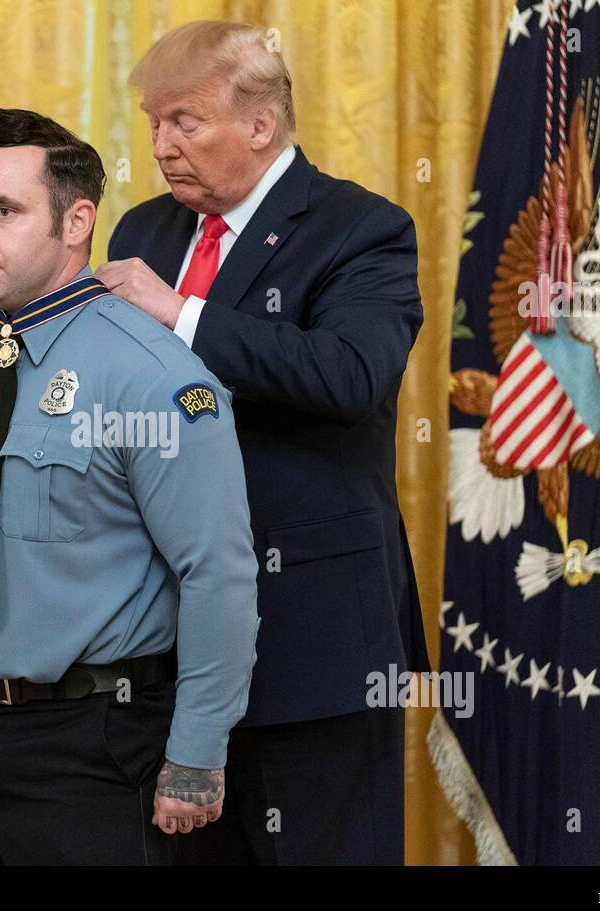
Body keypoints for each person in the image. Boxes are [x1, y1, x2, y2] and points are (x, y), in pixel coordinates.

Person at [100, 20, 429, 865]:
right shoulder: (144, 233)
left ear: (260, 125)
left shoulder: (361, 227)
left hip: (313, 643)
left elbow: (349, 377)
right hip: (165, 653)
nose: (162, 145)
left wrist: (184, 316)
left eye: (185, 122)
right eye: (153, 124)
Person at [0, 107, 259, 865]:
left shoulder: (154, 377)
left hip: (99, 746)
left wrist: (197, 756)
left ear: (77, 223)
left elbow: (219, 573)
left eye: (5, 211)